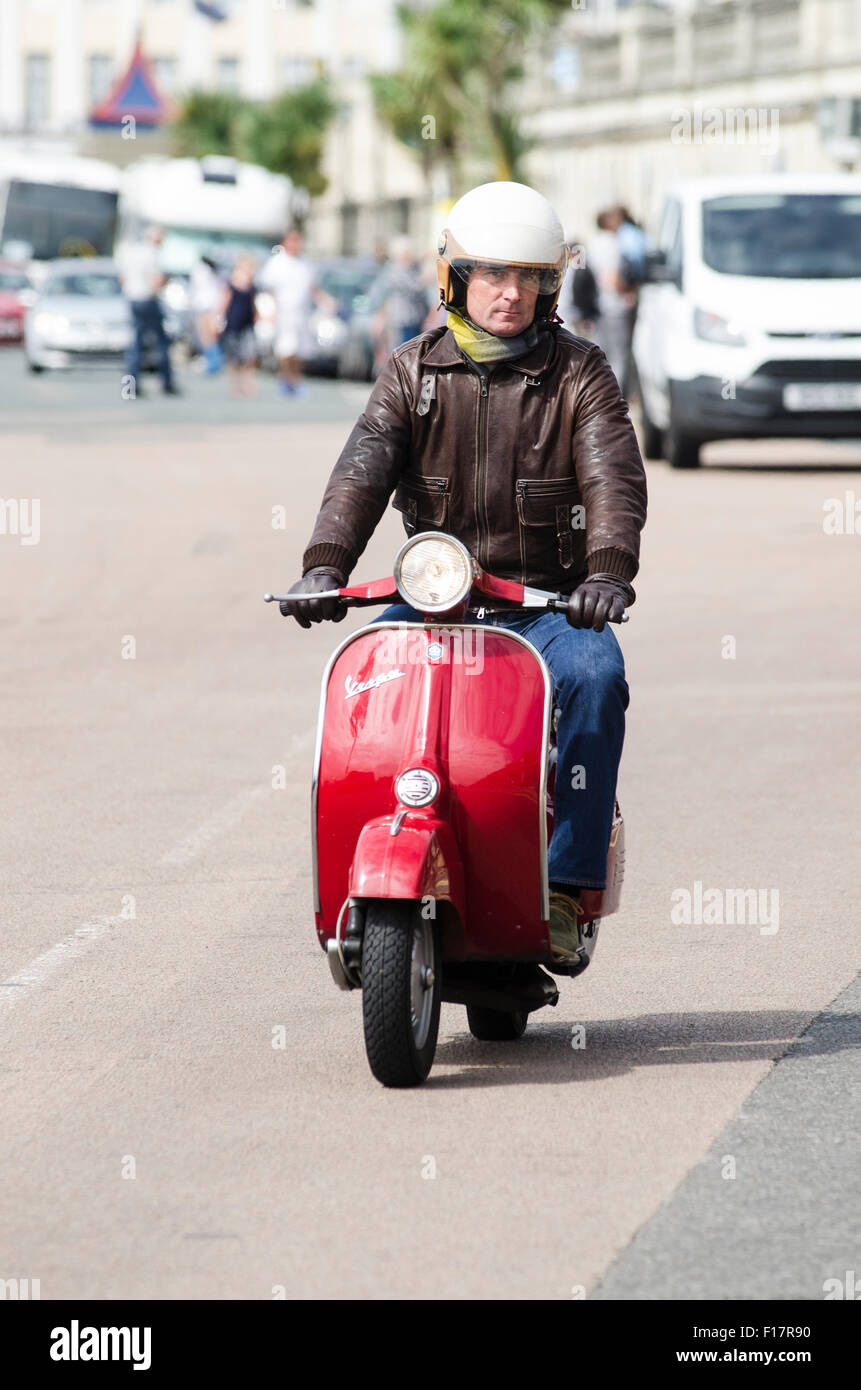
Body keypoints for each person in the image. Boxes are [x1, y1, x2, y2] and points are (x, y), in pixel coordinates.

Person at [280, 181, 647, 978]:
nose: (508, 292)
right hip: (431, 603)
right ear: (455, 278)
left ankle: (566, 886)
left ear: (549, 286)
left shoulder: (580, 374)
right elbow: (361, 470)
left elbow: (612, 478)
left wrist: (606, 574)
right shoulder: (411, 371)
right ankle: (361, 872)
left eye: (527, 277)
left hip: (547, 605)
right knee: (360, 693)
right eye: (490, 274)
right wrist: (323, 566)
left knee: (596, 679)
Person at [257, 227, 336, 397]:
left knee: (300, 351)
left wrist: (326, 301)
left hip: (302, 314)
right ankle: (286, 380)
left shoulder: (306, 264)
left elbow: (314, 289)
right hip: (283, 314)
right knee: (286, 349)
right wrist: (269, 311)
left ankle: (295, 381)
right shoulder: (276, 263)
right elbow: (268, 290)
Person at [116, 225, 179, 397]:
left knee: (135, 344)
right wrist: (164, 284)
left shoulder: (131, 251)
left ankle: (130, 388)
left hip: (132, 299)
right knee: (161, 342)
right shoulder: (151, 253)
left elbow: (122, 279)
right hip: (148, 299)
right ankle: (167, 383)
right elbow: (156, 281)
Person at [587, 207, 637, 396]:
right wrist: (630, 290)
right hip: (614, 307)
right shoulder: (613, 244)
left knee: (600, 353)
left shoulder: (592, 243)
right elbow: (613, 279)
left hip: (596, 307)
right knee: (619, 356)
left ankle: (598, 396)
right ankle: (615, 398)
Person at [368, 235, 432, 353]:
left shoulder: (408, 269)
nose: (411, 256)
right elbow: (415, 288)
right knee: (405, 353)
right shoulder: (396, 270)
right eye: (408, 253)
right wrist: (427, 278)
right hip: (404, 322)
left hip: (414, 320)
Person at [219, 255, 258, 398]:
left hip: (247, 325)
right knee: (234, 359)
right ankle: (235, 386)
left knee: (249, 356)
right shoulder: (232, 284)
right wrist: (218, 320)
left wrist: (257, 315)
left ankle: (248, 384)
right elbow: (224, 303)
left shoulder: (252, 286)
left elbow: (253, 304)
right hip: (233, 324)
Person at [190, 253, 224, 374]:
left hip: (205, 306)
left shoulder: (200, 270)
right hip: (211, 306)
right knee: (211, 336)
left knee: (206, 336)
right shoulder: (213, 271)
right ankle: (214, 361)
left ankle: (213, 362)